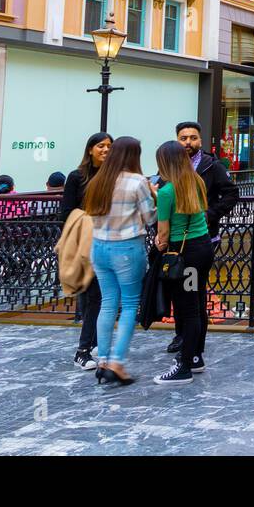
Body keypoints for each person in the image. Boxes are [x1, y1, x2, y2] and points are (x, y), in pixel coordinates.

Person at [84, 136, 157, 385]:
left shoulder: (97, 181)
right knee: (128, 305)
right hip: (126, 247)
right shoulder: (137, 182)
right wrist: (155, 196)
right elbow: (150, 219)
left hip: (99, 247)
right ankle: (117, 362)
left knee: (107, 303)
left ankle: (102, 360)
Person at [169, 122, 239, 359]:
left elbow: (231, 194)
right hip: (177, 240)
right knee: (179, 288)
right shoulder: (171, 166)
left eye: (193, 138)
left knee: (194, 290)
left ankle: (194, 345)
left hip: (203, 239)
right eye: (183, 138)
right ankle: (182, 335)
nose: (188, 142)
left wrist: (210, 215)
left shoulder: (212, 166)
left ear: (200, 140)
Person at [152, 140, 215, 383]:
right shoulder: (196, 181)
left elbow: (164, 233)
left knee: (187, 309)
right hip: (202, 247)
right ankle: (196, 357)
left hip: (184, 255)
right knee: (198, 303)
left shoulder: (167, 192)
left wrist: (159, 243)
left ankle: (184, 366)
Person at [60, 132, 112, 372]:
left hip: (108, 243)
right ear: (90, 149)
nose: (105, 150)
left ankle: (91, 344)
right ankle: (82, 351)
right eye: (100, 145)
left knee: (100, 297)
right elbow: (66, 213)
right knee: (93, 297)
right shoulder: (77, 177)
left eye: (109, 146)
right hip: (85, 243)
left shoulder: (113, 178)